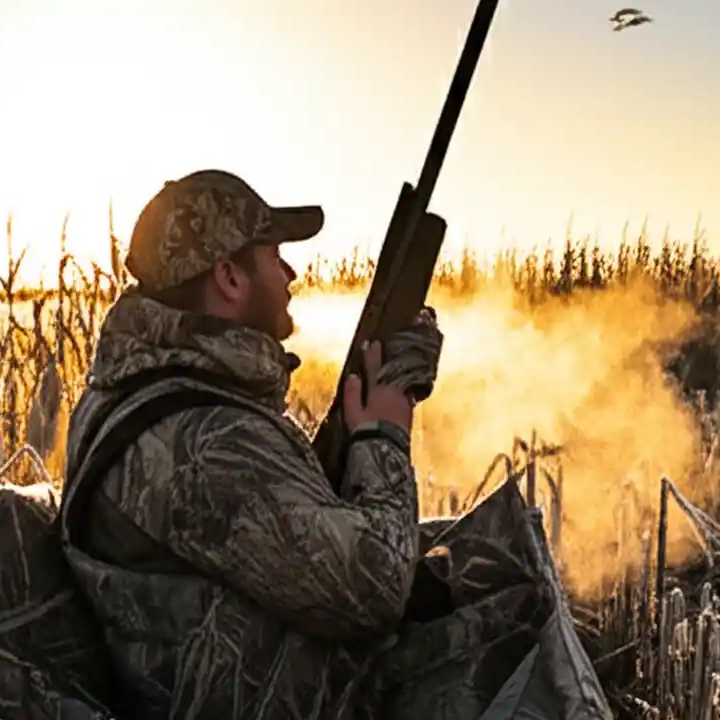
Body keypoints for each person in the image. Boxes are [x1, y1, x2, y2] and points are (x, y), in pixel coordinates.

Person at [58, 169, 443, 719]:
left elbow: (254, 519)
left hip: (171, 687)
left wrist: (341, 446)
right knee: (508, 592)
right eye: (275, 256)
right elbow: (377, 588)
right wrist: (384, 433)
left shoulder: (129, 394)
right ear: (230, 278)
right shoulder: (207, 441)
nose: (291, 273)